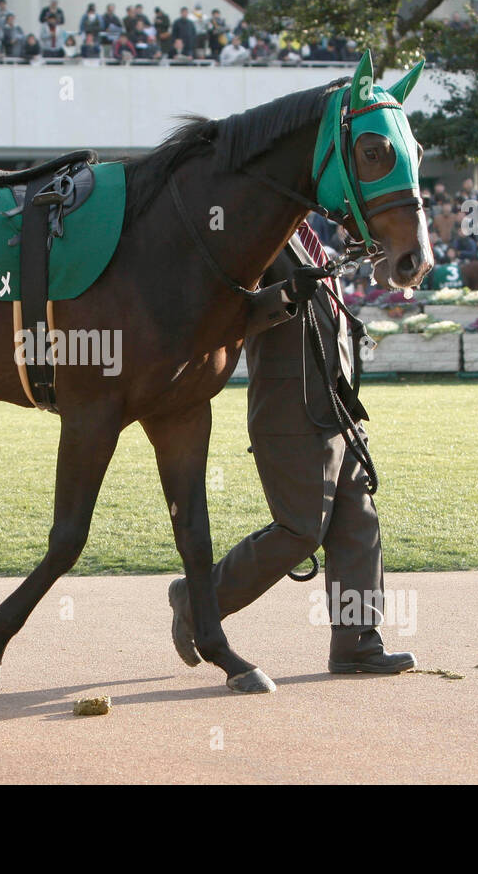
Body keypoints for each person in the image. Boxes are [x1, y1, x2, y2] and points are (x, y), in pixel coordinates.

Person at [168, 222, 415, 675]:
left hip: (337, 410)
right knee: (300, 530)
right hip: (288, 413)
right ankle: (197, 600)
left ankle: (356, 643)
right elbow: (230, 313)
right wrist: (285, 295)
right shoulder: (257, 233)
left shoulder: (309, 234)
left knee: (356, 525)